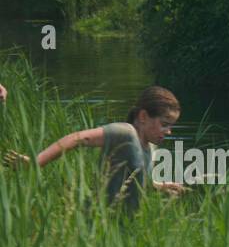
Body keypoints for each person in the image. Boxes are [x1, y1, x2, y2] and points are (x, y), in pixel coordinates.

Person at [15, 85, 187, 209]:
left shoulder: (151, 148)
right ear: (143, 116)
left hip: (125, 226)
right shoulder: (124, 133)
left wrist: (161, 186)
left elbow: (135, 182)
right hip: (99, 219)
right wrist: (35, 163)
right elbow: (75, 138)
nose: (169, 131)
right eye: (164, 124)